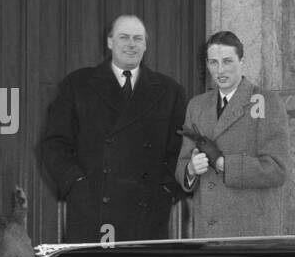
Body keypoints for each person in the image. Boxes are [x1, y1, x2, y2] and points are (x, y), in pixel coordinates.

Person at [38, 14, 188, 243]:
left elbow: (181, 149)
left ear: (146, 45)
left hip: (147, 214)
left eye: (138, 38)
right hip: (93, 211)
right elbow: (54, 144)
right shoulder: (78, 84)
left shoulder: (170, 91)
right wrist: (76, 184)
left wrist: (167, 189)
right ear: (110, 42)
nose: (131, 44)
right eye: (123, 37)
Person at [177, 31, 290, 237]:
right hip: (208, 232)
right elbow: (182, 164)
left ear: (242, 61)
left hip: (250, 231)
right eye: (213, 62)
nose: (220, 70)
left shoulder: (266, 101)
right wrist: (191, 169)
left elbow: (277, 169)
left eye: (227, 61)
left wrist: (224, 164)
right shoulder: (196, 106)